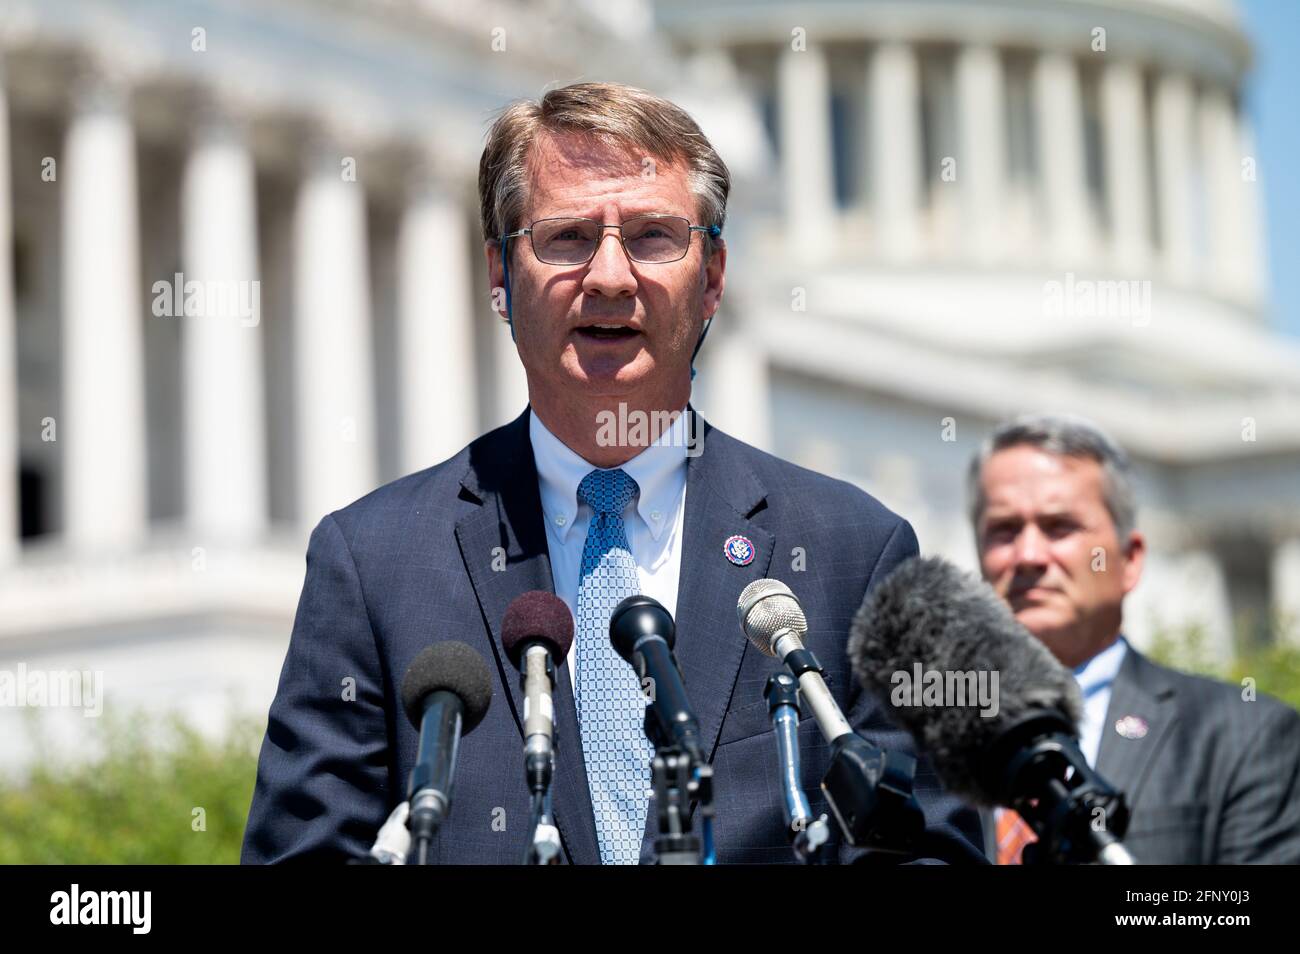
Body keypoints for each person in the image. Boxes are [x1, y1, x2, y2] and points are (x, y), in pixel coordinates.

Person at [241, 82, 984, 865]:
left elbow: (925, 850)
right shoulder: (375, 565)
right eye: (565, 238)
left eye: (654, 237)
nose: (609, 277)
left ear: (714, 275)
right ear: (499, 274)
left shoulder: (851, 555)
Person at [969, 414, 1300, 863]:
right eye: (1004, 530)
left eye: (1059, 526)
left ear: (1129, 559)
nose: (1028, 555)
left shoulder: (1245, 734)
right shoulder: (915, 732)